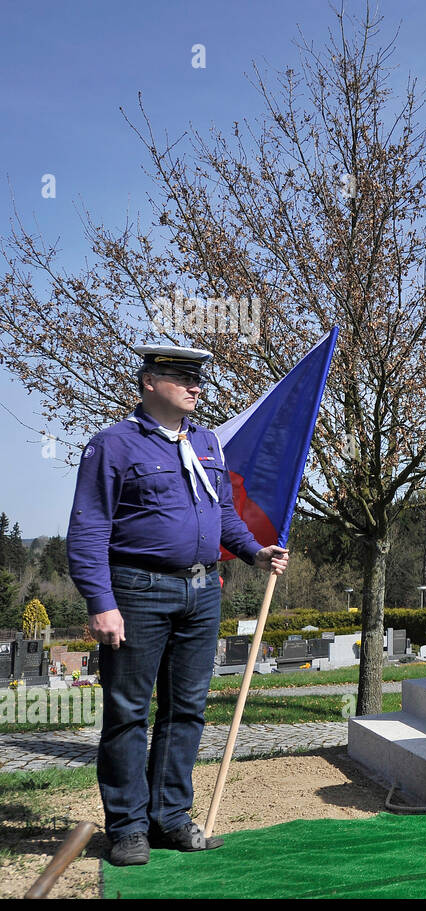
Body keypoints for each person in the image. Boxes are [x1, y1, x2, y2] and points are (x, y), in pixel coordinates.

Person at [67, 344, 290, 866]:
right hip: (137, 592)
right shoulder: (112, 446)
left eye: (198, 378)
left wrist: (254, 551)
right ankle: (126, 828)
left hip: (202, 591)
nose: (196, 386)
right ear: (148, 382)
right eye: (182, 377)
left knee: (186, 710)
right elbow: (88, 529)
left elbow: (222, 517)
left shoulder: (206, 442)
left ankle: (169, 818)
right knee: (127, 715)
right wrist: (102, 603)